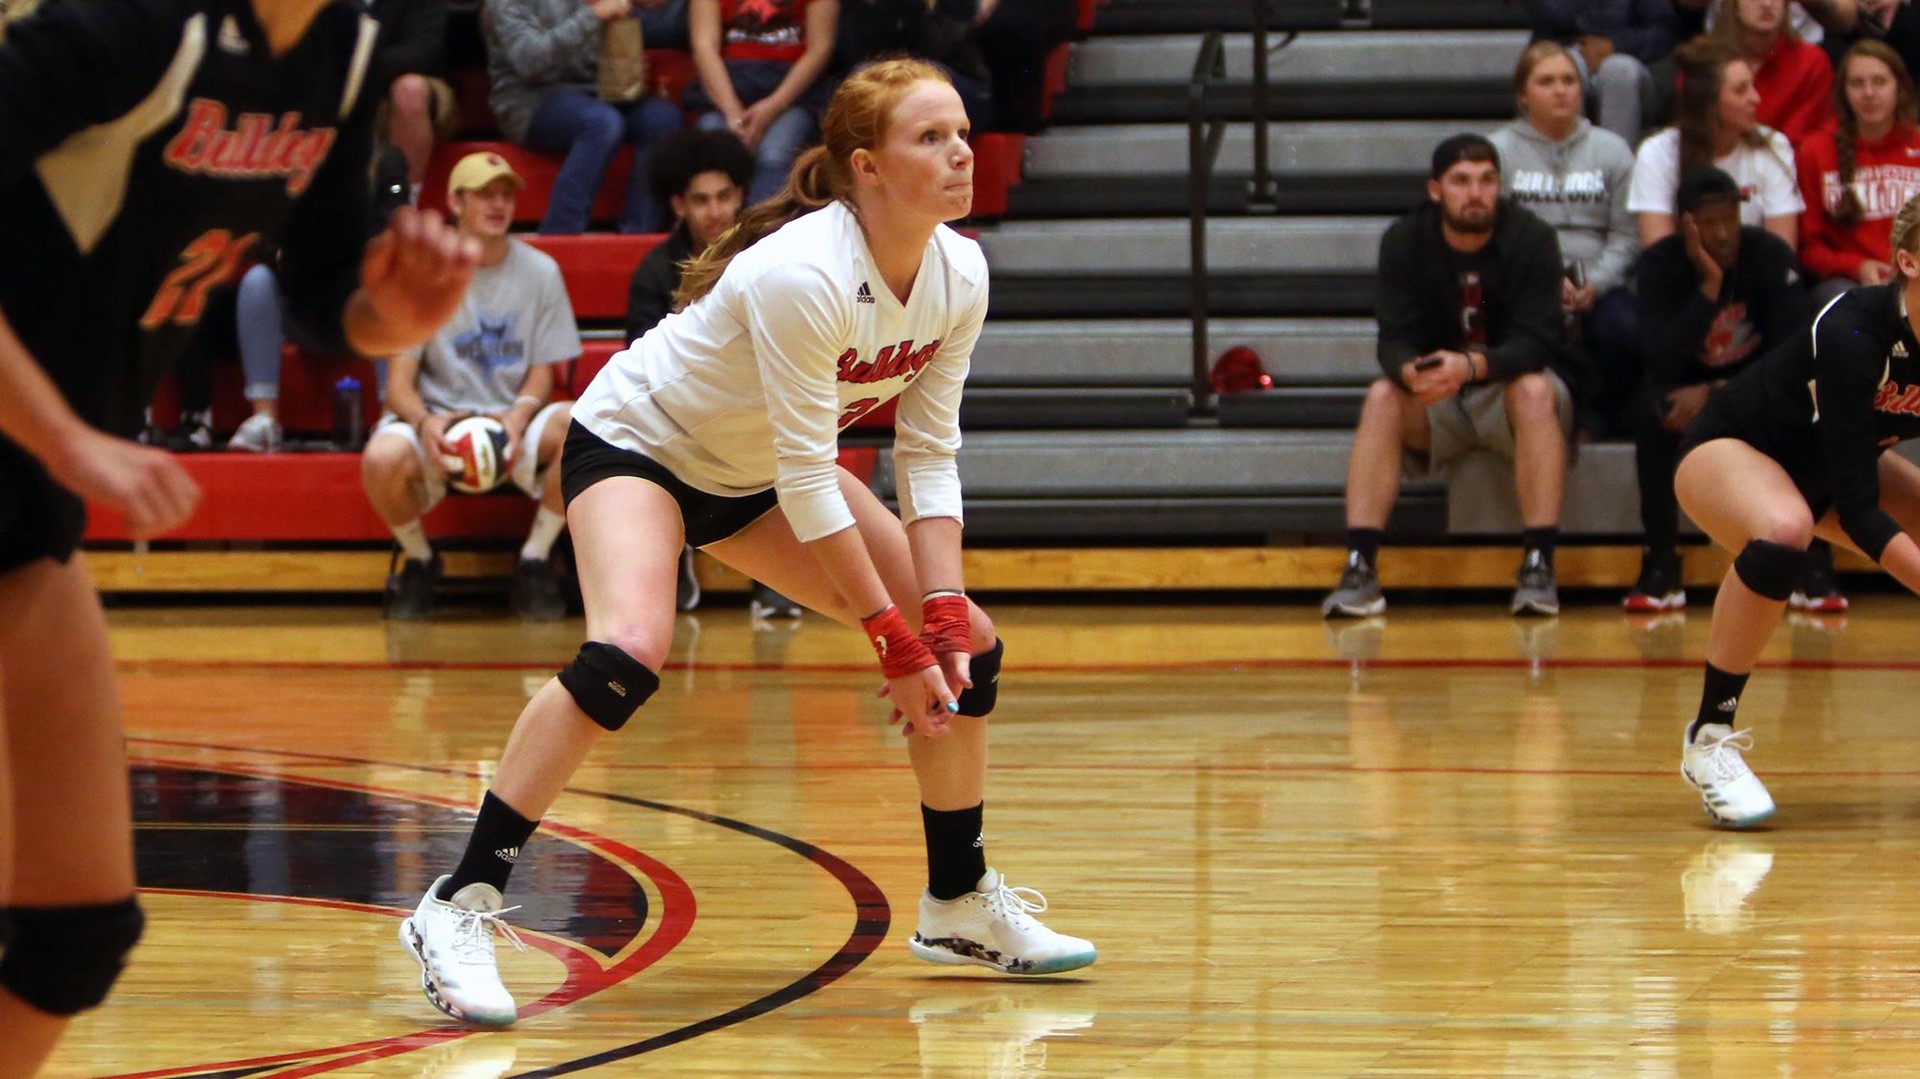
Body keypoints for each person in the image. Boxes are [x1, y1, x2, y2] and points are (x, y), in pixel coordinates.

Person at [396, 58, 1094, 1028]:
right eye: (929, 137)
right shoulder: (804, 271)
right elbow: (812, 475)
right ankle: (458, 902)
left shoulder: (959, 271)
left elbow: (928, 454)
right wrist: (891, 637)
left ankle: (958, 899)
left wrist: (932, 614)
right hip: (641, 444)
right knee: (628, 650)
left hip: (755, 471)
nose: (960, 152)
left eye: (963, 132)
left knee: (966, 644)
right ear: (868, 166)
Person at [0, 0, 479, 1072]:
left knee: (75, 933)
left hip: (24, 494)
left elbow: (319, 295)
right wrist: (71, 439)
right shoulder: (124, 31)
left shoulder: (347, 56)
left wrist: (390, 315)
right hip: (39, 448)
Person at [1669, 191, 1920, 827]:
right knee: (1786, 530)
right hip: (1730, 452)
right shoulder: (1856, 327)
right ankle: (1710, 737)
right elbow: (1861, 510)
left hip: (1834, 469)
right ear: (1909, 262)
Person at [1321, 134, 1575, 620]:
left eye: (1486, 181)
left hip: (1506, 392)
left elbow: (1541, 341)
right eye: (1461, 181)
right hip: (1438, 397)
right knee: (1380, 396)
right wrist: (1408, 373)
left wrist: (1474, 366)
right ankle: (1360, 568)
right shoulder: (1404, 239)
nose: (1475, 193)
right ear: (1436, 190)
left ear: (1500, 186)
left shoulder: (1533, 238)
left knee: (1536, 388)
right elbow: (1392, 338)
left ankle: (1540, 565)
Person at [363, 152, 581, 621]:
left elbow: (544, 369)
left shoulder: (541, 271)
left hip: (512, 416)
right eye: (485, 194)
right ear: (455, 202)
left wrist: (517, 418)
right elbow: (397, 386)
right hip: (441, 419)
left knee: (584, 430)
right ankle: (420, 561)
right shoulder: (422, 273)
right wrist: (426, 422)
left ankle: (535, 560)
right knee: (380, 458)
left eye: (506, 194)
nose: (499, 204)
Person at [623, 128, 803, 619]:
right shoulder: (655, 271)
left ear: (742, 195)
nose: (716, 211)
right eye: (701, 200)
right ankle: (671, 558)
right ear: (679, 205)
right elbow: (639, 357)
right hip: (676, 414)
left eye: (725, 196)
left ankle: (776, 578)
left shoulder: (767, 256)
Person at [1626, 168, 1811, 611]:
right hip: (1685, 394)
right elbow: (1659, 360)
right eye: (1709, 223)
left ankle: (1813, 566)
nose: (1724, 234)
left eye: (1730, 219)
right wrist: (1708, 291)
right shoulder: (1659, 266)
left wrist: (1714, 393)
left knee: (1808, 412)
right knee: (1649, 414)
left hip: (1760, 392)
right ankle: (1661, 564)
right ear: (1685, 224)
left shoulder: (1768, 255)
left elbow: (1795, 355)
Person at [1488, 40, 1641, 435]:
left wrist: (1597, 283)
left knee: (1625, 330)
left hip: (1599, 278)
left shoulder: (1612, 149)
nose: (1560, 90)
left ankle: (1607, 420)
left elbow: (1627, 235)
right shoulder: (1496, 152)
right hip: (1527, 283)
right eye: (1546, 81)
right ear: (1523, 94)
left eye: (1569, 81)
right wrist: (1542, 283)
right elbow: (1494, 236)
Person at [483, 0, 687, 234]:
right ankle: (559, 235)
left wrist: (625, 65)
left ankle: (638, 233)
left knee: (664, 119)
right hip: (530, 100)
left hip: (598, 92)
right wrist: (593, 16)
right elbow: (530, 61)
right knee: (601, 122)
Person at [1628, 36, 1804, 249]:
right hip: (1682, 276)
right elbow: (1658, 254)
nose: (1756, 98)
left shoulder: (1773, 146)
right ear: (1707, 103)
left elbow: (1782, 252)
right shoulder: (1656, 153)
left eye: (1753, 86)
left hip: (1754, 276)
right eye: (1741, 90)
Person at [1798, 40, 1920, 306]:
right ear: (1843, 92)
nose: (1868, 93)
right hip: (1852, 283)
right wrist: (1858, 266)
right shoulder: (1815, 151)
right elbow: (1809, 248)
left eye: (1879, 82)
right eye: (1857, 83)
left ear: (1899, 87)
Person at [687, 0, 839, 205]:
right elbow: (704, 47)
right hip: (728, 88)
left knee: (775, 151)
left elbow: (820, 49)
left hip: (794, 93)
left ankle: (764, 230)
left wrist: (772, 107)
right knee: (713, 142)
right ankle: (724, 234)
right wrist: (732, 112)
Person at [1520, 0, 1682, 141]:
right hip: (1564, 49)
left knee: (1619, 69)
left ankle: (1616, 164)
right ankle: (1568, 165)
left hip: (1631, 67)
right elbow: (1547, 13)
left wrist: (1615, 45)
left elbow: (1662, 33)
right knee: (1567, 64)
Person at [835, 0, 992, 127]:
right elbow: (854, 53)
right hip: (892, 75)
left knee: (874, 82)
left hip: (962, 84)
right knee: (857, 84)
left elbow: (935, 47)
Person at [1716, 0, 1838, 146]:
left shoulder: (1812, 63)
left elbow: (1806, 144)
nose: (1767, 4)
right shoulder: (1708, 63)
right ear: (1732, 5)